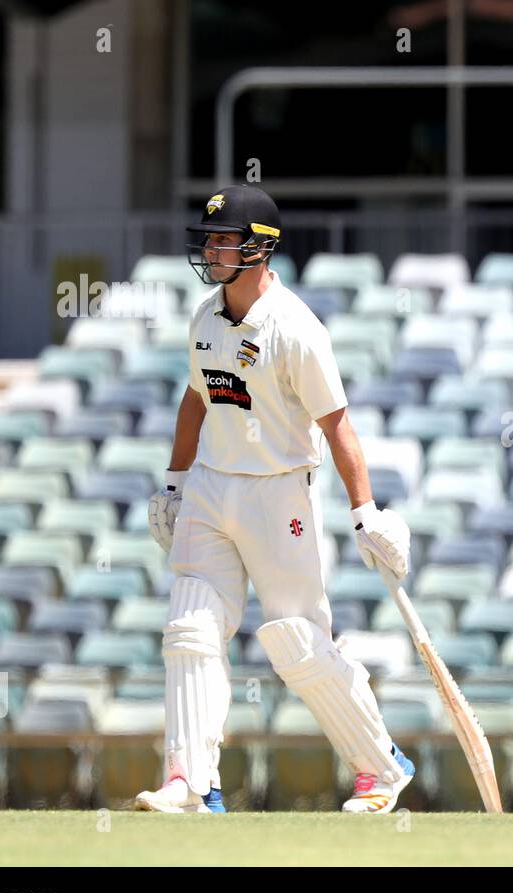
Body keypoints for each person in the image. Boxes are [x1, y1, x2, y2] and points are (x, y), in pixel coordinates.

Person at [136, 184, 415, 814]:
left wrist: (364, 511)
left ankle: (379, 766)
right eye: (208, 238)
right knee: (190, 625)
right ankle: (191, 781)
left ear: (259, 248)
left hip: (280, 492)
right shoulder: (206, 316)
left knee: (295, 640)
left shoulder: (296, 329)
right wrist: (176, 482)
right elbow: (194, 400)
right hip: (212, 484)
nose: (211, 249)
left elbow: (336, 423)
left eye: (224, 238)